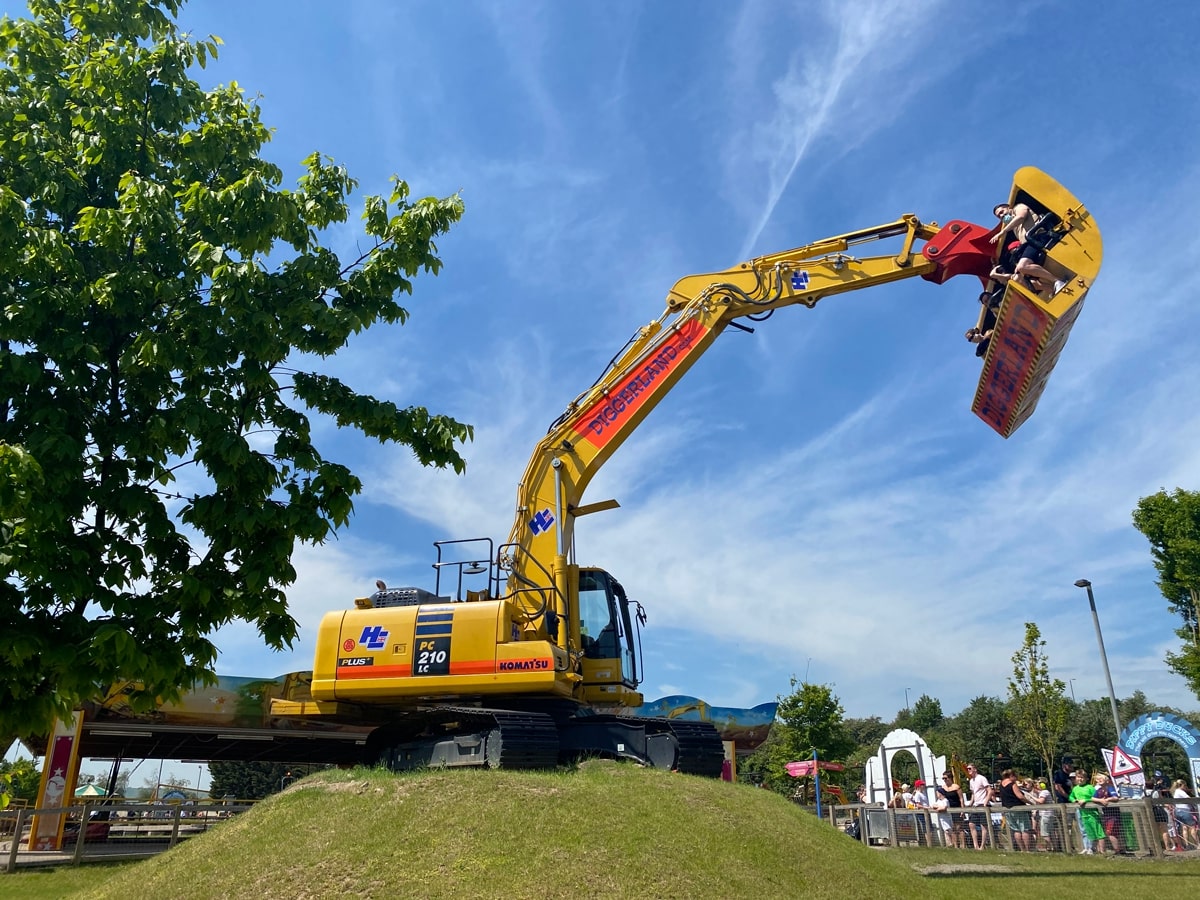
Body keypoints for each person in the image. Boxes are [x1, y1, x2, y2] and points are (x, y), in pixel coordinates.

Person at [990, 202, 1062, 289]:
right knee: (1019, 278)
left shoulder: (1018, 207)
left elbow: (1021, 217)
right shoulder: (1013, 226)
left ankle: (1057, 281)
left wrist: (1002, 232)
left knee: (1023, 266)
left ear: (1009, 207)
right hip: (1029, 244)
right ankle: (1051, 290)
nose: (1001, 216)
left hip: (1038, 237)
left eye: (1002, 212)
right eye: (999, 216)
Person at [997, 769, 1033, 852]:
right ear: (1011, 776)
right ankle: (1027, 850)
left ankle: (1022, 849)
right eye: (1015, 776)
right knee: (1024, 829)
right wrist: (1029, 802)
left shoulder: (1001, 785)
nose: (1016, 778)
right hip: (1018, 808)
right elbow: (1020, 796)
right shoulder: (1012, 784)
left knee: (1016, 830)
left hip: (1007, 809)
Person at [1070, 770, 1104, 855]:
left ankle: (1091, 848)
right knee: (1083, 830)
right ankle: (1086, 847)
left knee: (1092, 829)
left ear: (1085, 778)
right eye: (1078, 777)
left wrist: (1085, 800)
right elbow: (1071, 796)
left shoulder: (1090, 787)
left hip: (1091, 812)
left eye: (1082, 777)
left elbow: (1095, 798)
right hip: (1080, 811)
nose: (1080, 779)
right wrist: (1074, 800)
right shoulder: (1075, 788)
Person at [1091, 773, 1122, 854]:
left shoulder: (1110, 788)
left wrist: (1107, 799)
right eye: (1097, 779)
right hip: (1106, 815)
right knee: (1110, 832)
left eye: (1101, 778)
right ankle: (1118, 849)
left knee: (1111, 833)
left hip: (1113, 815)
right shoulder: (1098, 790)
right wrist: (1100, 800)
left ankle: (1117, 850)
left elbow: (1115, 797)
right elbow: (1092, 798)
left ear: (1106, 780)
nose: (1099, 780)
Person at [965, 764, 992, 850]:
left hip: (982, 804)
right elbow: (973, 793)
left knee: (983, 825)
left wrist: (985, 802)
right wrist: (970, 803)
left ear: (975, 769)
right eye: (967, 769)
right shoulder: (971, 781)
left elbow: (989, 790)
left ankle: (982, 846)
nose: (968, 770)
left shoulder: (981, 778)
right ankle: (976, 845)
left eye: (970, 768)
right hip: (975, 805)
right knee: (971, 824)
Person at [936, 771, 965, 848]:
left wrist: (962, 810)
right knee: (952, 829)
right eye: (943, 778)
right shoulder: (943, 788)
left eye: (945, 778)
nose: (944, 780)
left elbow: (961, 799)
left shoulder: (956, 787)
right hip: (948, 811)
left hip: (957, 809)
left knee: (959, 828)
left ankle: (962, 845)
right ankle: (955, 845)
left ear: (950, 778)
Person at [1173, 779, 1199, 850]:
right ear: (1182, 785)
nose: (1186, 787)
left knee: (1184, 828)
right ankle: (1198, 844)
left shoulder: (1175, 792)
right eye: (1185, 785)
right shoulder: (1180, 791)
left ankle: (1187, 845)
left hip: (1178, 811)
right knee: (1192, 828)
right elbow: (1189, 799)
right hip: (1185, 811)